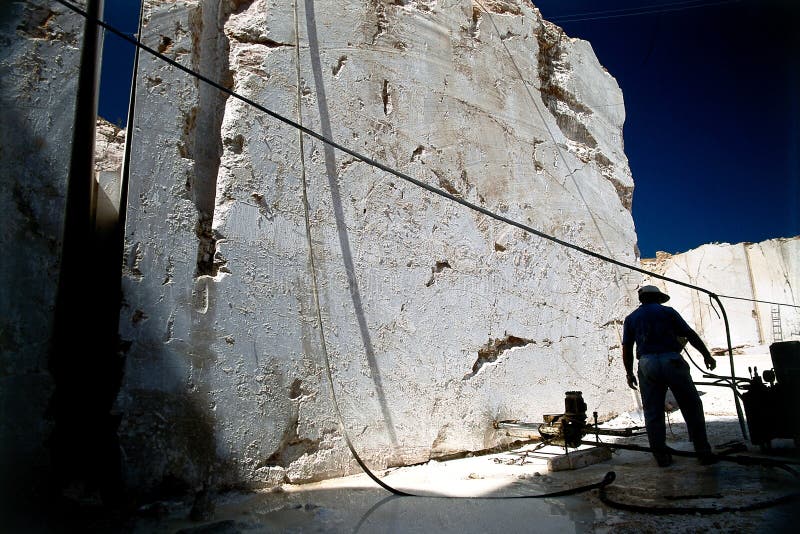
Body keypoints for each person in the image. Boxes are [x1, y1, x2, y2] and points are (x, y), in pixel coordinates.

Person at [622, 285, 719, 467]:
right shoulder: (668, 312)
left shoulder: (632, 318)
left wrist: (629, 373)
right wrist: (707, 355)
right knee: (691, 406)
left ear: (642, 299)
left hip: (647, 363)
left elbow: (627, 348)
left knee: (653, 411)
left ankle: (661, 456)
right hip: (671, 360)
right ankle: (703, 452)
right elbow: (689, 334)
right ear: (658, 298)